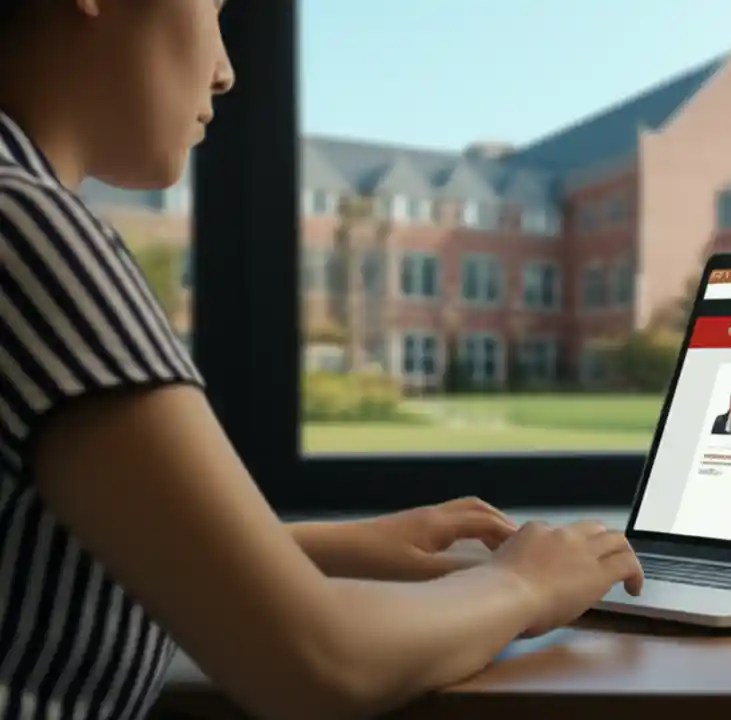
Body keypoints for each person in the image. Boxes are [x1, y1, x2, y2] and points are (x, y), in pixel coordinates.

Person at [0, 2, 642, 719]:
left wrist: (328, 546)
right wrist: (525, 584)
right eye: (212, 7)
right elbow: (322, 661)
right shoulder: (31, 232)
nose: (226, 71)